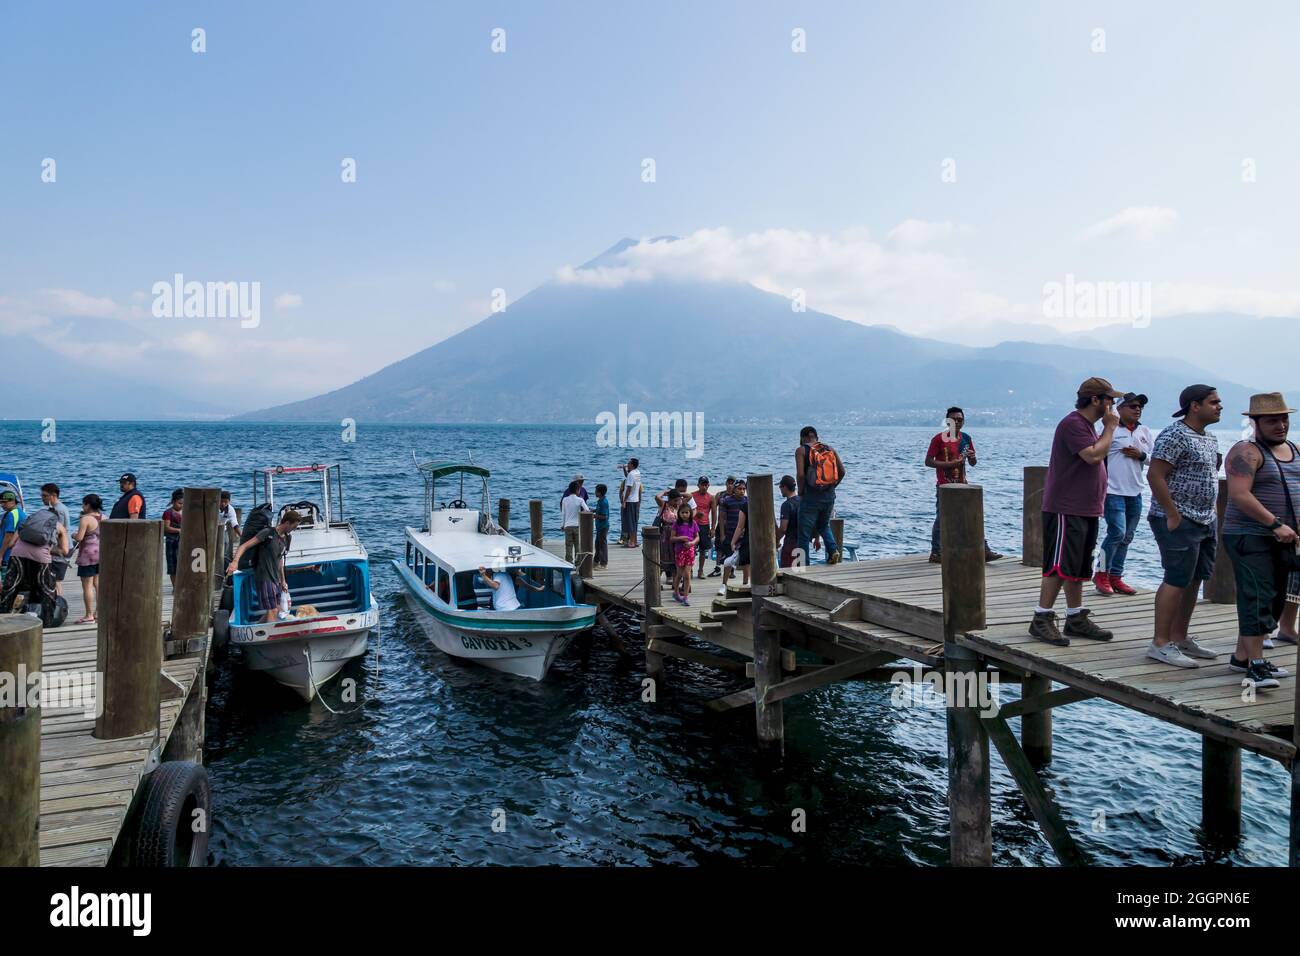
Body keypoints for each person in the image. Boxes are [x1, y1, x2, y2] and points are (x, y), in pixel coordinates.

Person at [1027, 378, 1123, 646]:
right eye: (1110, 400)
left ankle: (1075, 616)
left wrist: (1106, 429)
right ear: (1096, 400)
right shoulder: (1073, 424)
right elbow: (1092, 456)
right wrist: (1111, 428)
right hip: (1066, 508)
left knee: (1079, 566)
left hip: (1086, 507)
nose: (1113, 406)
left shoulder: (1090, 427)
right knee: (1058, 565)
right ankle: (1041, 617)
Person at [1221, 392, 1300, 690]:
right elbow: (1240, 495)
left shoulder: (1294, 449)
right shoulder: (1246, 452)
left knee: (1275, 599)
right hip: (1249, 536)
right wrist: (1274, 523)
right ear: (1255, 422)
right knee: (1256, 596)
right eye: (1272, 420)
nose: (1280, 425)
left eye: (1284, 419)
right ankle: (1254, 667)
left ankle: (1242, 657)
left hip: (1284, 539)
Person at [1144, 385, 1224, 668]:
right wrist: (1172, 513)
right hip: (1178, 518)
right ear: (1194, 405)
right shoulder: (1174, 434)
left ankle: (1180, 636)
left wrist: (1212, 511)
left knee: (1195, 577)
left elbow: (1209, 474)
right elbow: (1155, 474)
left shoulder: (1210, 438)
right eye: (1214, 402)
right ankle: (1160, 643)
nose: (1219, 406)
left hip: (1204, 519)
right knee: (1176, 577)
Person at [924, 408, 1002, 563]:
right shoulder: (939, 439)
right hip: (944, 486)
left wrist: (973, 458)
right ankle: (936, 552)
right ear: (947, 422)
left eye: (960, 419)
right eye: (953, 419)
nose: (957, 422)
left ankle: (984, 550)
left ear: (963, 421)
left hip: (962, 484)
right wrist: (950, 464)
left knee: (972, 517)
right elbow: (928, 461)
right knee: (942, 519)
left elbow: (972, 463)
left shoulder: (966, 438)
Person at [1095, 393, 1154, 595]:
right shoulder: (1109, 430)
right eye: (1132, 406)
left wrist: (1141, 455)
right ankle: (1101, 573)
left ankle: (1116, 576)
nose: (1137, 409)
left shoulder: (1144, 431)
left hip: (1135, 491)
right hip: (1112, 490)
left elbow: (1154, 460)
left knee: (1127, 536)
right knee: (1116, 532)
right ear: (1119, 409)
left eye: (1140, 406)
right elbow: (1096, 454)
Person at [0, 492, 70, 620]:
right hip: (41, 558)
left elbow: (11, 544)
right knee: (46, 589)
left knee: (11, 587)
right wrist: (50, 549)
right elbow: (64, 550)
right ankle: (48, 621)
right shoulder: (58, 525)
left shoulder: (28, 521)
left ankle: (3, 617)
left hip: (17, 555)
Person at [226, 510, 302, 622]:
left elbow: (280, 559)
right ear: (286, 523)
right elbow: (244, 546)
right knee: (273, 610)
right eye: (294, 526)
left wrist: (283, 581)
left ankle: (258, 629)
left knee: (275, 610)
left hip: (275, 579)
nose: (294, 529)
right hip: (264, 578)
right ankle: (274, 638)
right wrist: (235, 562)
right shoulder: (267, 533)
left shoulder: (287, 538)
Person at [795, 426, 845, 565]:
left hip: (810, 497)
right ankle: (833, 550)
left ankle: (802, 567)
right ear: (816, 437)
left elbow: (800, 475)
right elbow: (842, 471)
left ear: (802, 438)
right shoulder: (830, 449)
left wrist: (801, 492)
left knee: (803, 535)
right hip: (829, 496)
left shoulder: (801, 450)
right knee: (823, 525)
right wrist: (832, 487)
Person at [72, 494, 103, 624]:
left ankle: (89, 615)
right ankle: (99, 612)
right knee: (98, 584)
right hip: (100, 554)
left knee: (87, 586)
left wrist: (73, 534)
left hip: (87, 555)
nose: (82, 506)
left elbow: (79, 537)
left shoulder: (86, 519)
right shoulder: (104, 517)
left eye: (83, 504)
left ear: (88, 505)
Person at [40, 484, 72, 596]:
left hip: (61, 547)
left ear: (53, 495)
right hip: (63, 546)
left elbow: (59, 530)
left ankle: (58, 605)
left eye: (44, 496)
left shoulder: (58, 510)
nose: (42, 498)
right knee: (54, 579)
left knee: (55, 580)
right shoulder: (58, 508)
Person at [722, 479, 752, 592]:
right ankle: (724, 584)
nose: (742, 491)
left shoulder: (747, 501)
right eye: (739, 489)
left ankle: (746, 583)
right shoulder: (727, 501)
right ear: (734, 489)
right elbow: (722, 518)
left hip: (744, 536)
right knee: (728, 561)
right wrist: (722, 534)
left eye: (744, 489)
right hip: (730, 533)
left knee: (746, 562)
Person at [477, 564, 546, 612]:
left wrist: (483, 575)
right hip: (513, 606)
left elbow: (495, 586)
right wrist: (538, 589)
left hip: (504, 608)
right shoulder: (511, 576)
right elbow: (527, 586)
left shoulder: (499, 574)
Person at [669, 502, 699, 606]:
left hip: (690, 551)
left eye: (686, 512)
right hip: (679, 551)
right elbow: (672, 538)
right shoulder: (676, 524)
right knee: (679, 574)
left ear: (690, 513)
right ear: (679, 513)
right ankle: (676, 592)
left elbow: (697, 537)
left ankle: (685, 596)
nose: (684, 514)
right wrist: (681, 538)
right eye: (682, 512)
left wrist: (692, 543)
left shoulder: (693, 523)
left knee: (687, 574)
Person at [709, 477, 736, 576]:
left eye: (732, 483)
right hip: (720, 525)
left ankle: (731, 569)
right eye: (728, 483)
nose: (730, 485)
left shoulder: (736, 496)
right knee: (719, 547)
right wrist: (713, 527)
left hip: (732, 526)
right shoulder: (720, 495)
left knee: (732, 547)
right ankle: (718, 568)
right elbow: (714, 511)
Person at [560, 480, 592, 563]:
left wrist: (562, 525)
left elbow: (563, 513)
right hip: (577, 526)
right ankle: (578, 563)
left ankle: (569, 563)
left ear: (569, 490)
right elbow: (587, 510)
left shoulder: (565, 500)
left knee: (568, 546)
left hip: (567, 526)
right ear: (578, 490)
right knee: (578, 546)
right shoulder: (580, 500)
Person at [691, 477, 715, 579]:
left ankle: (700, 570)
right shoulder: (692, 495)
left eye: (706, 485)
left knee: (703, 550)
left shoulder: (711, 497)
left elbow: (714, 513)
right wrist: (696, 513)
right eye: (702, 485)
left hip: (705, 525)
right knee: (691, 549)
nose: (704, 487)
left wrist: (713, 528)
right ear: (698, 485)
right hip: (693, 525)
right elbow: (686, 509)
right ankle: (690, 570)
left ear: (708, 485)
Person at [162, 489, 184, 591]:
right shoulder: (168, 513)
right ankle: (175, 587)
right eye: (179, 503)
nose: (181, 505)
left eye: (183, 503)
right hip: (171, 541)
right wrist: (179, 530)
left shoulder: (185, 512)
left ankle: (181, 585)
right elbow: (166, 528)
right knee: (172, 566)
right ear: (173, 501)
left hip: (182, 541)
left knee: (182, 564)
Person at [777, 475, 801, 567]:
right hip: (802, 543)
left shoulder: (786, 505)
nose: (780, 489)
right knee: (800, 571)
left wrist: (776, 540)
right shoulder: (802, 501)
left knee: (788, 573)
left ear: (785, 487)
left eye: (780, 486)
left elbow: (783, 529)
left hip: (790, 544)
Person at [620, 458, 642, 548]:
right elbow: (628, 477)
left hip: (630, 501)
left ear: (632, 465)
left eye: (628, 463)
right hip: (636, 500)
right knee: (634, 521)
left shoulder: (631, 475)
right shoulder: (637, 473)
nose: (627, 464)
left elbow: (628, 488)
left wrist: (624, 501)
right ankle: (635, 541)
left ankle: (632, 542)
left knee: (630, 522)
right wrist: (624, 468)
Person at [1, 489, 25, 568]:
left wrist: (0, 556)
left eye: (4, 502)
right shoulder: (18, 512)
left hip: (8, 555)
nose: (2, 505)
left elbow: (8, 536)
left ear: (13, 501)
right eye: (1, 502)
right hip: (16, 553)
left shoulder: (12, 515)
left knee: (4, 578)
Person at [219, 491, 240, 570]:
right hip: (211, 531)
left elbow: (234, 524)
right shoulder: (213, 506)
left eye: (226, 502)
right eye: (221, 501)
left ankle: (224, 570)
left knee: (225, 551)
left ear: (229, 502)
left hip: (222, 530)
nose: (223, 504)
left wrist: (242, 535)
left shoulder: (230, 509)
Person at [593, 484, 610, 569]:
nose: (595, 492)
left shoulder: (604, 502)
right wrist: (594, 510)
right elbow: (599, 509)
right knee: (597, 544)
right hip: (599, 527)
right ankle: (596, 561)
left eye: (596, 491)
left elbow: (605, 516)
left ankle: (604, 563)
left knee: (602, 545)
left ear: (600, 492)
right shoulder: (600, 501)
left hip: (603, 527)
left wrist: (595, 516)